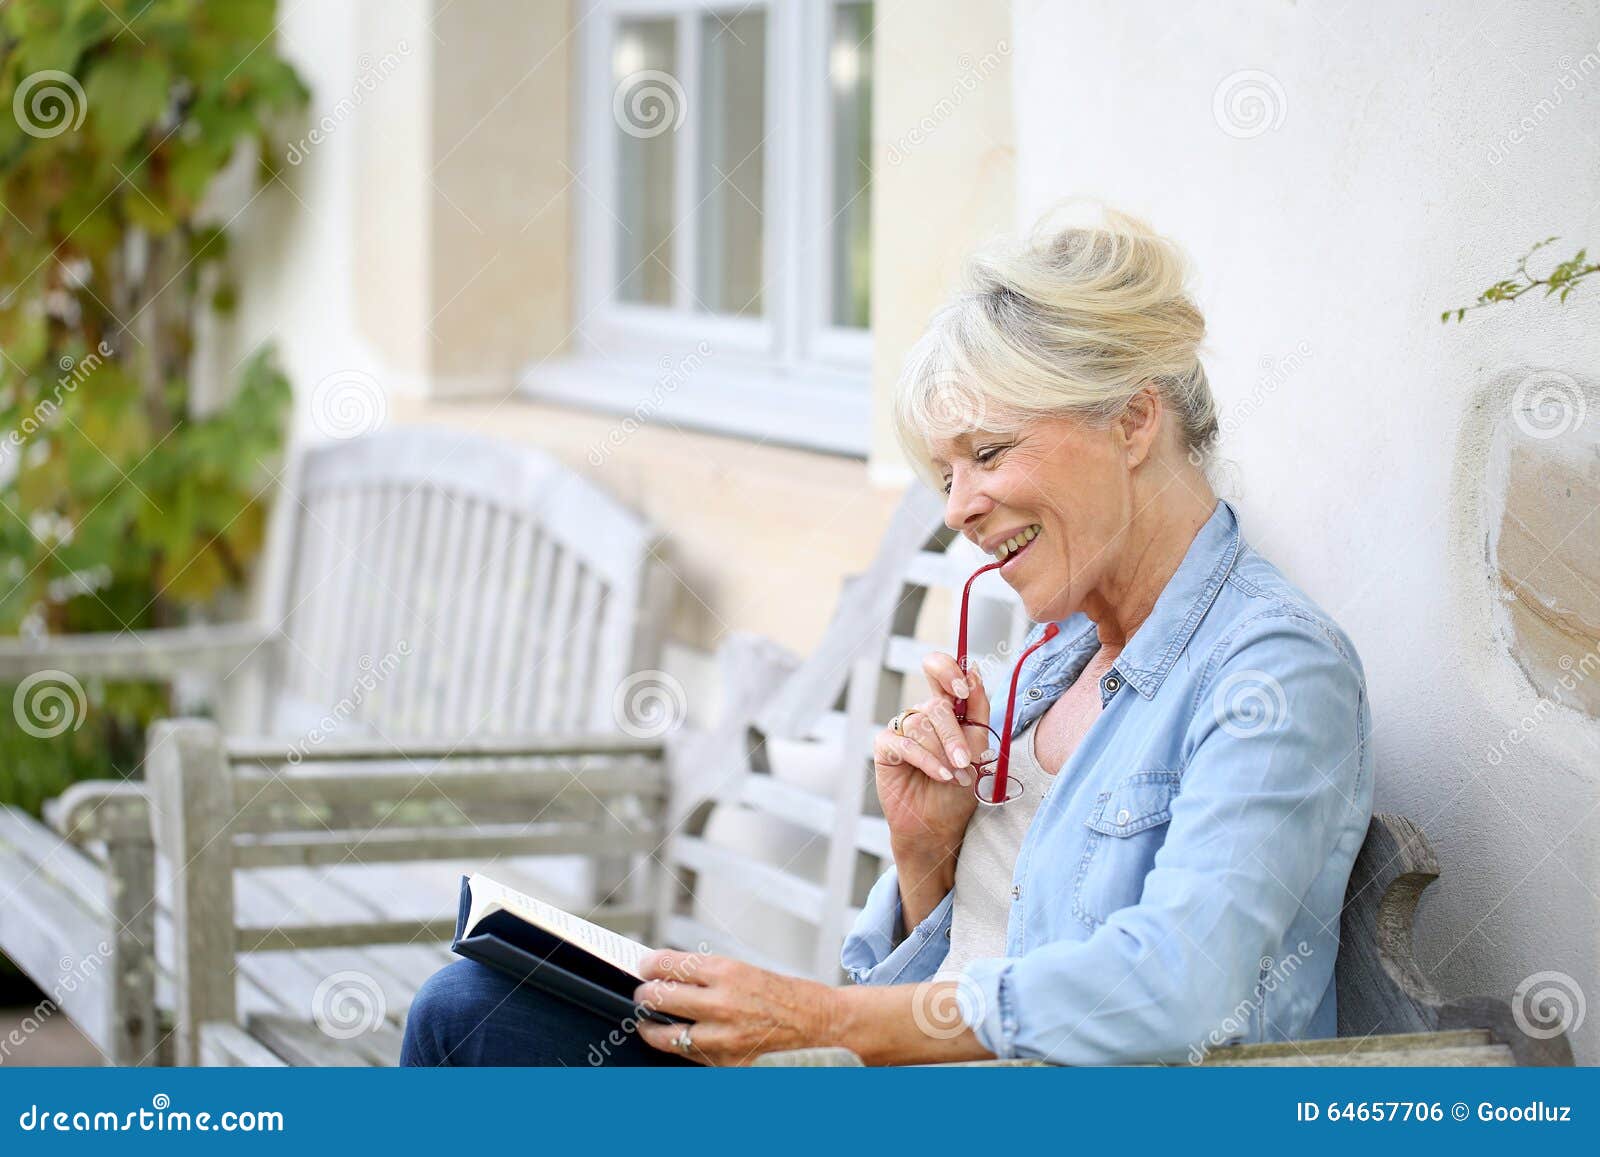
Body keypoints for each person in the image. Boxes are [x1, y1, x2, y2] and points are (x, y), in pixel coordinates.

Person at [400, 203, 1373, 1067]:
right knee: (473, 1008)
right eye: (947, 475)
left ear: (1131, 420)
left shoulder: (1275, 671)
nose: (958, 508)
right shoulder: (1051, 660)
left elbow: (1177, 984)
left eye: (987, 453)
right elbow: (922, 968)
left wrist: (821, 1016)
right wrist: (924, 856)